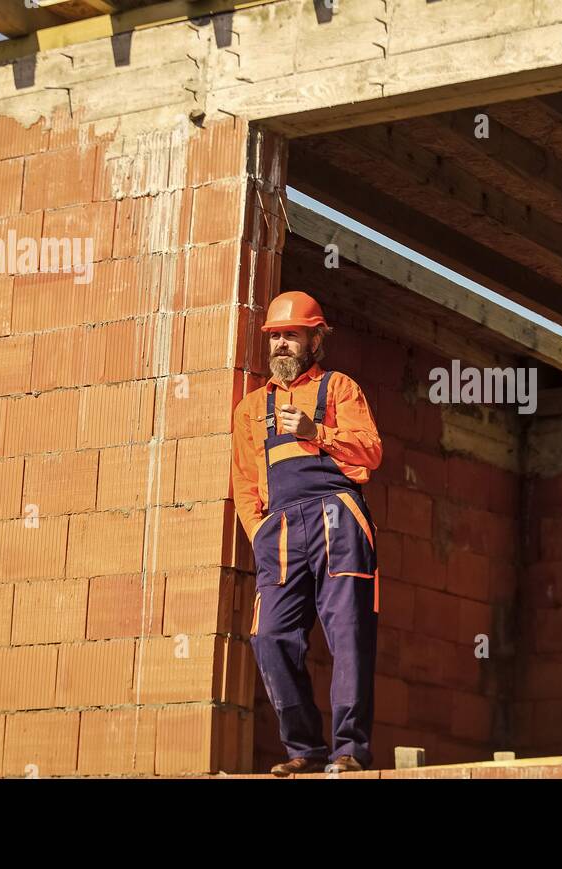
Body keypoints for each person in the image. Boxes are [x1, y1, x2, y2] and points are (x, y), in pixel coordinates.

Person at [230, 291, 383, 775]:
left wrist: (315, 432)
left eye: (291, 335)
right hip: (278, 528)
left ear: (315, 339)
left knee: (348, 632)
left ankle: (349, 751)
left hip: (336, 517)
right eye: (274, 336)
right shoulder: (251, 408)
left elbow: (370, 452)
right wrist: (259, 531)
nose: (280, 344)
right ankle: (304, 751)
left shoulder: (339, 389)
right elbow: (245, 481)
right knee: (271, 637)